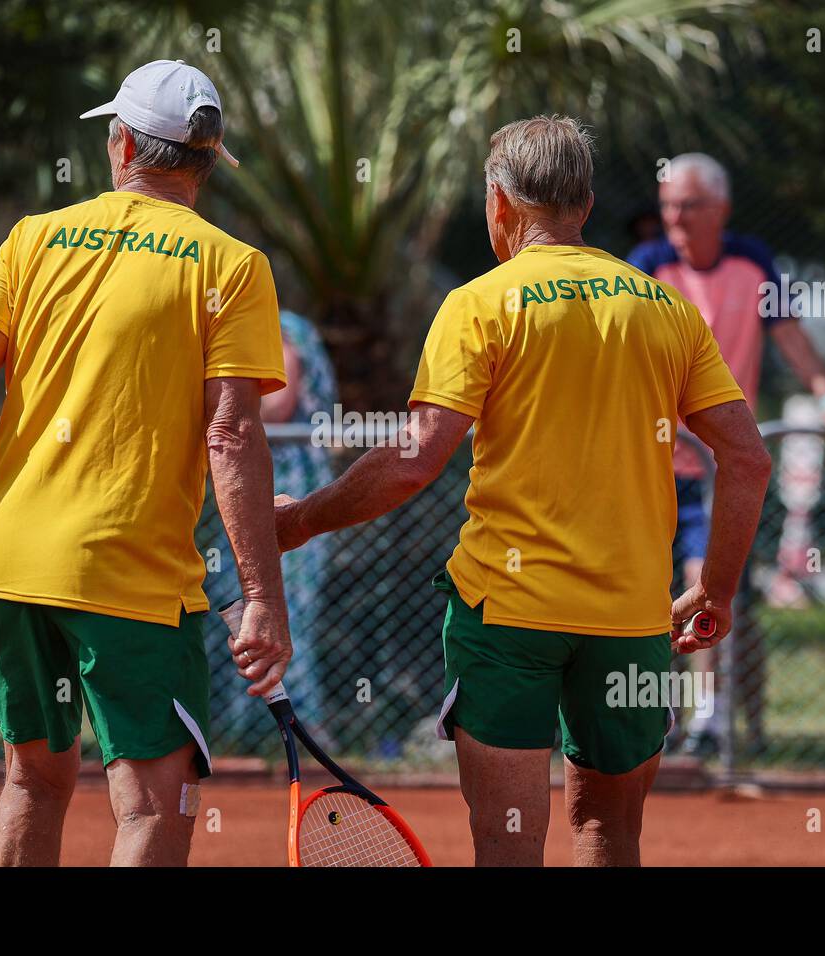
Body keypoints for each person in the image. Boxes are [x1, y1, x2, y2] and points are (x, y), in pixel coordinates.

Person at [274, 116, 772, 866]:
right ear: (586, 203)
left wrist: (301, 521)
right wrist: (718, 591)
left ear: (500, 205)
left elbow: (414, 461)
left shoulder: (480, 304)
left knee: (508, 844)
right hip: (631, 618)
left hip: (506, 614)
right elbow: (749, 458)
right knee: (610, 834)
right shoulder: (665, 309)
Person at [0, 59, 291, 867]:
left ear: (121, 142)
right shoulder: (231, 266)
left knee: (31, 782)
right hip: (128, 570)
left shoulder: (33, 238)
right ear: (208, 161)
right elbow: (233, 435)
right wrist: (262, 597)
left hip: (13, 556)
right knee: (153, 808)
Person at [628, 153, 825, 756]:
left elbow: (792, 341)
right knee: (646, 599)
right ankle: (656, 721)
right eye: (668, 205)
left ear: (721, 210)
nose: (675, 216)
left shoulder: (752, 263)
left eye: (689, 204)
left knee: (702, 587)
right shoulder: (647, 267)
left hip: (721, 471)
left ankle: (711, 723)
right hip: (650, 469)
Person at [206, 310, 338, 741]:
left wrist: (210, 399)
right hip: (257, 479)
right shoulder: (275, 324)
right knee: (238, 605)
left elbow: (277, 404)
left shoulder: (279, 325)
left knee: (281, 606)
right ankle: (248, 726)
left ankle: (294, 724)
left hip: (285, 483)